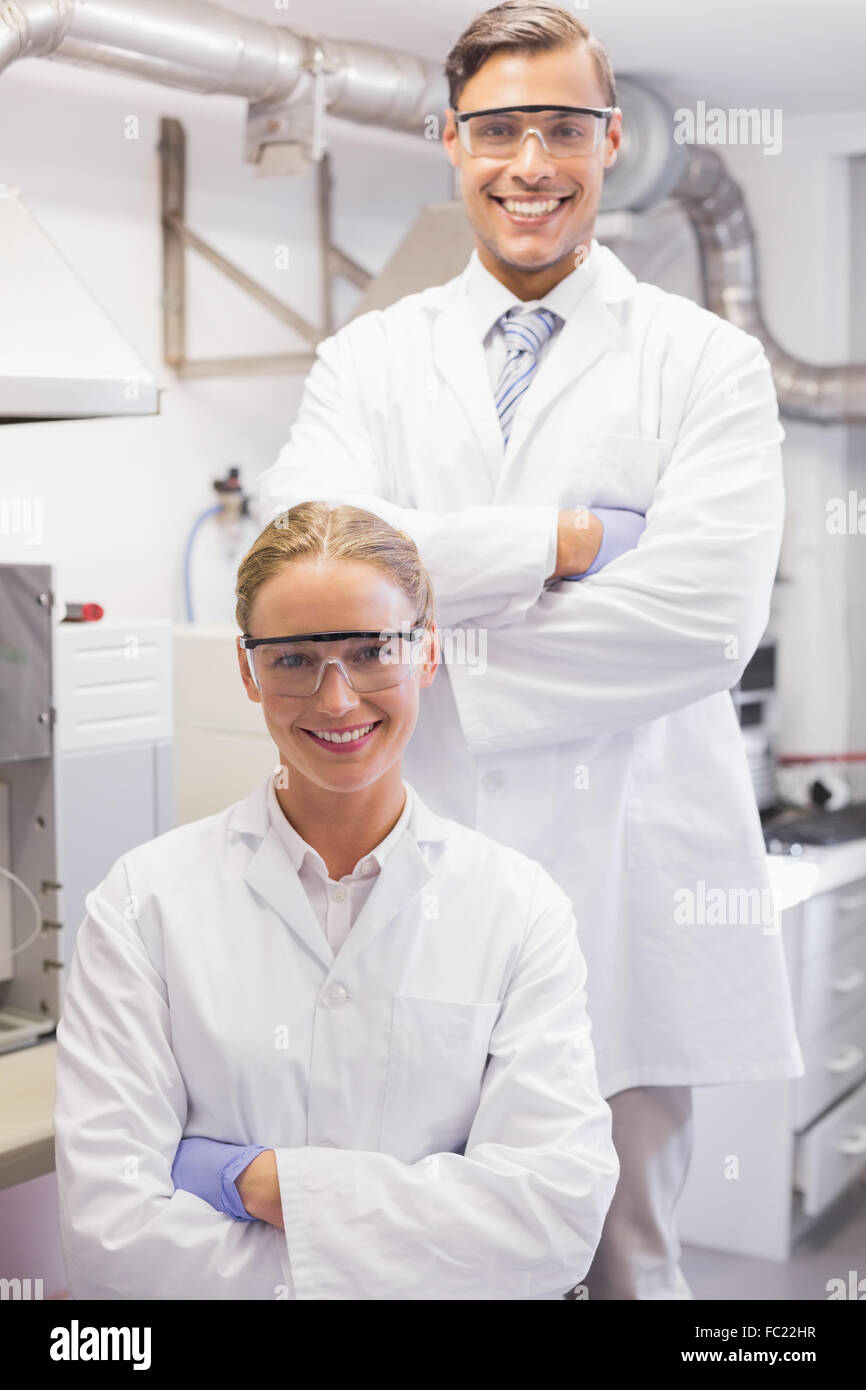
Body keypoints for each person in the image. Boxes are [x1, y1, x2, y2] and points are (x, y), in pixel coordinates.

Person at [257, 2, 805, 1300]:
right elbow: (299, 572)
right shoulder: (366, 358)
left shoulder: (706, 365)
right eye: (498, 129)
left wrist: (411, 637)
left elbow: (697, 624)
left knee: (623, 1262)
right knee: (409, 1257)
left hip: (624, 895)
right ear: (450, 141)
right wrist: (554, 541)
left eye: (561, 127)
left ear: (610, 142)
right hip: (406, 897)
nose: (529, 162)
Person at [53, 501, 620, 1301]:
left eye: (370, 651)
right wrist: (420, 1242)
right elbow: (111, 1243)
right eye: (292, 660)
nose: (336, 699)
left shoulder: (520, 908)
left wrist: (266, 1184)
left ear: (426, 654)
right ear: (247, 672)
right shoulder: (143, 904)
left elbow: (554, 1222)